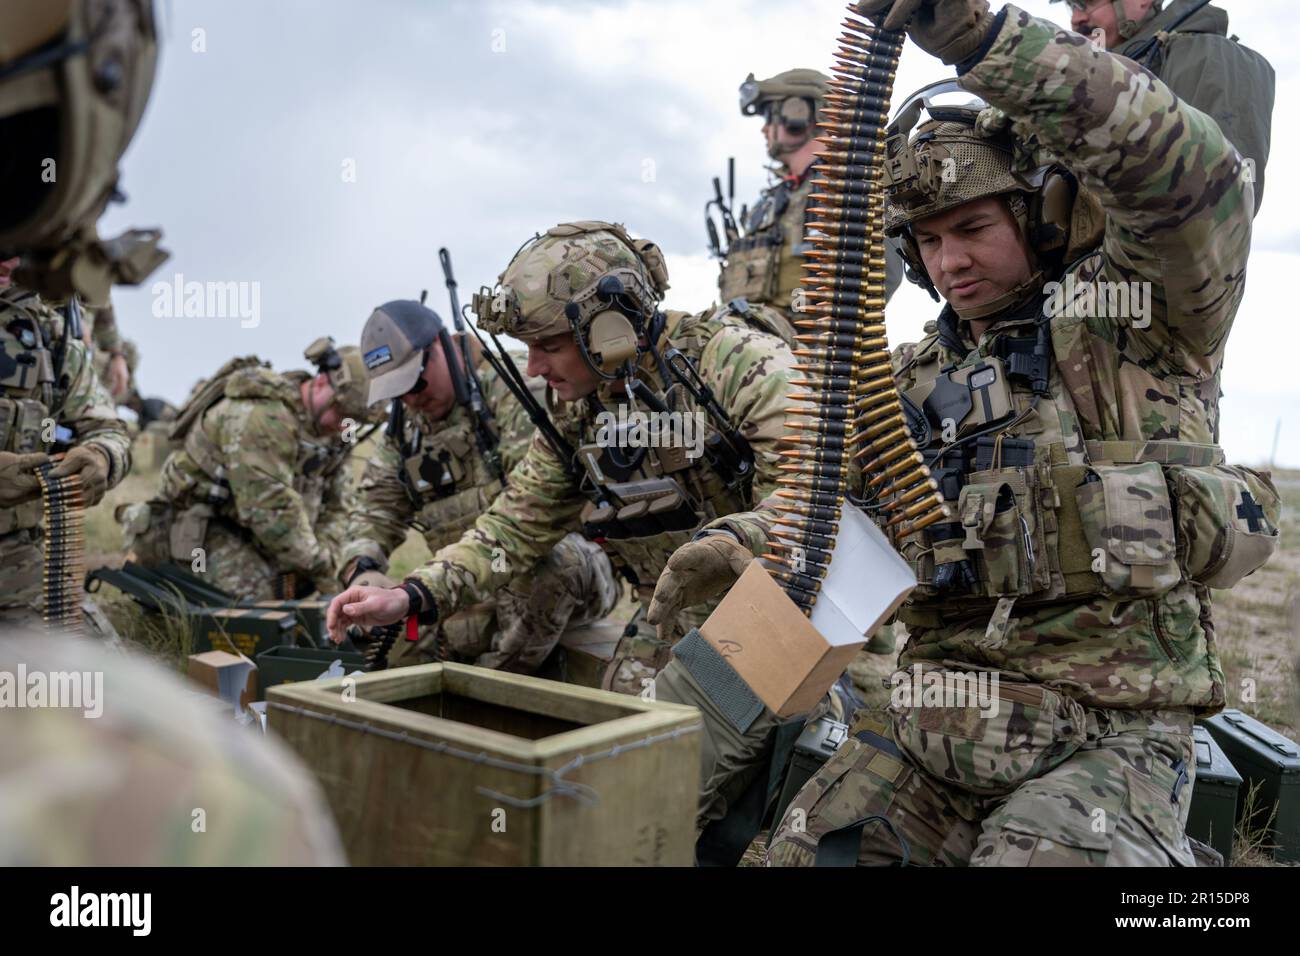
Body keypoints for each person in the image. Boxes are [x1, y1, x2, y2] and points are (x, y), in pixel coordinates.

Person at [653, 0, 1273, 866]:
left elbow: (1191, 174)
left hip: (1109, 732)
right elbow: (855, 516)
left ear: (1039, 218)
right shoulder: (909, 377)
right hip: (935, 722)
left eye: (975, 228)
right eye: (928, 240)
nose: (950, 262)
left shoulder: (1139, 322)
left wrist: (982, 41)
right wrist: (752, 538)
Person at [326, 220, 797, 694]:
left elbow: (809, 505)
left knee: (720, 729)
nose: (534, 367)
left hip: (782, 613)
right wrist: (411, 595)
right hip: (672, 616)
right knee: (628, 717)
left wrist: (734, 539)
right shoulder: (576, 412)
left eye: (549, 346)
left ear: (610, 328)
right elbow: (514, 528)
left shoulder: (738, 363)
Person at [338, 299, 619, 673]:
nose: (410, 398)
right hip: (467, 581)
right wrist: (363, 569)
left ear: (440, 345)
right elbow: (373, 511)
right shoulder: (404, 431)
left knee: (555, 561)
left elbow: (529, 521)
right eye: (397, 392)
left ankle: (493, 683)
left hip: (555, 571)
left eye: (414, 382)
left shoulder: (517, 389)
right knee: (389, 623)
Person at [121, 339, 377, 600]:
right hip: (195, 527)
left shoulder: (335, 431)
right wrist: (324, 572)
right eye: (342, 413)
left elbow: (339, 505)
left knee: (296, 588)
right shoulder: (262, 417)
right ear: (321, 382)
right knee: (260, 600)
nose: (345, 426)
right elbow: (270, 510)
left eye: (355, 420)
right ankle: (158, 576)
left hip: (257, 534)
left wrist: (328, 559)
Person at [1055, 0, 1273, 214]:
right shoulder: (1087, 79)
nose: (1076, 18)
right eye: (1071, 6)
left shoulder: (1210, 56)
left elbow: (1223, 200)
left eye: (1086, 3)